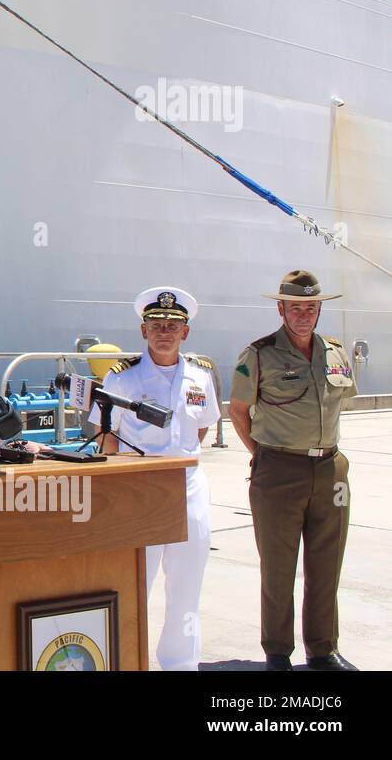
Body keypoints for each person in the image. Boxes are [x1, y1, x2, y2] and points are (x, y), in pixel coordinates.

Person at [229, 270, 358, 671]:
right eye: (296, 307)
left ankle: (323, 649)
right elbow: (237, 411)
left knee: (326, 564)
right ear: (281, 308)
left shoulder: (335, 352)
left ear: (319, 309)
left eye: (311, 307)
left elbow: (340, 403)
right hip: (279, 470)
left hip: (330, 471)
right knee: (279, 567)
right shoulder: (259, 354)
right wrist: (264, 455)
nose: (304, 314)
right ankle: (278, 653)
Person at [89, 287, 219, 671]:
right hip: (139, 491)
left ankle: (180, 665)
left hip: (188, 489)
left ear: (186, 333)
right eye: (157, 325)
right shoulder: (121, 378)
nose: (165, 331)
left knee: (186, 585)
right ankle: (129, 661)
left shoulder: (201, 376)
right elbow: (106, 439)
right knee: (133, 585)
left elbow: (200, 431)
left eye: (173, 326)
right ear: (143, 330)